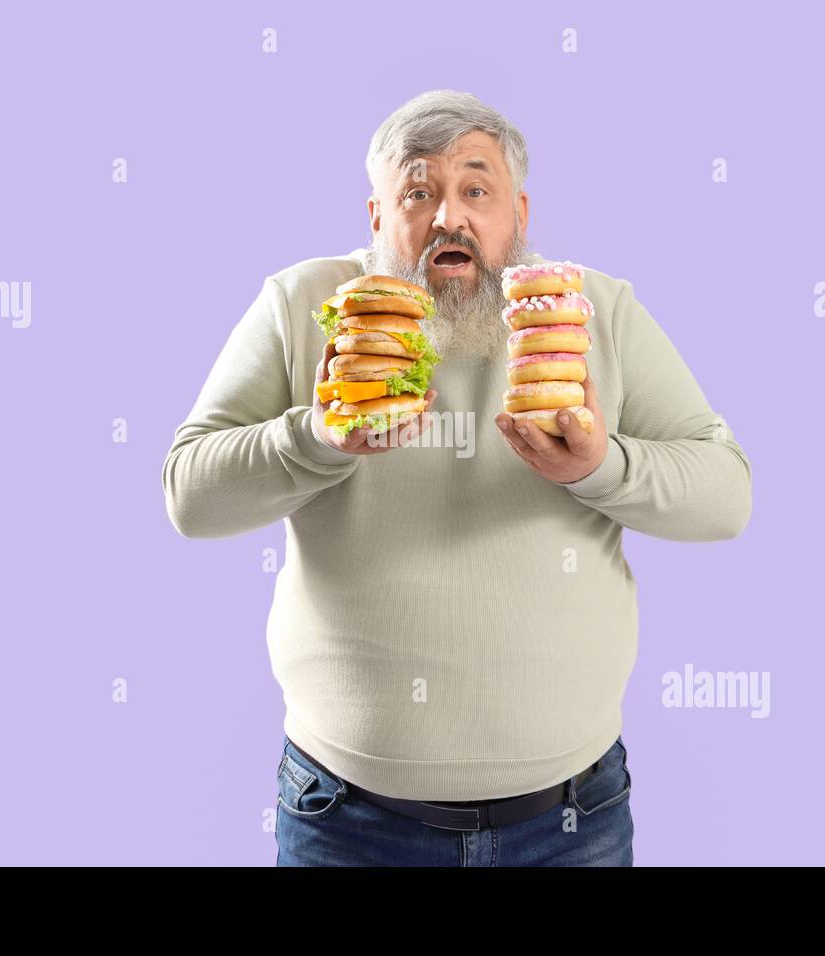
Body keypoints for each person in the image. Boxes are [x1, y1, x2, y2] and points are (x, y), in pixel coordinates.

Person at [161, 90, 752, 866]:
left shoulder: (591, 314)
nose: (450, 216)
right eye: (418, 192)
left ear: (520, 214)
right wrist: (318, 437)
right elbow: (189, 495)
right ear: (376, 217)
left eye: (477, 189)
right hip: (344, 817)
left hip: (572, 820)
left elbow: (726, 494)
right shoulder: (306, 305)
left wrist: (601, 468)